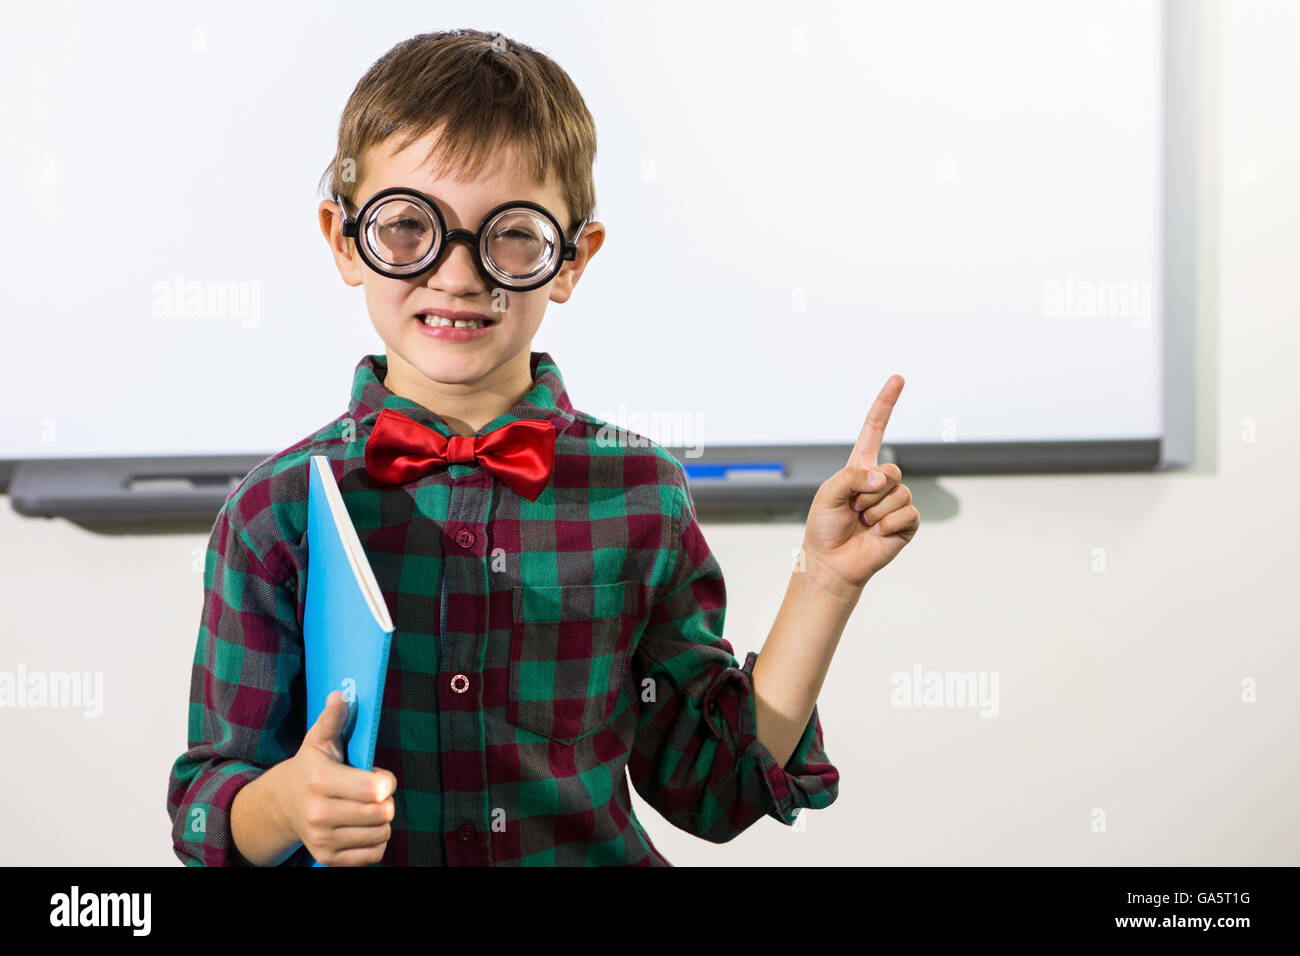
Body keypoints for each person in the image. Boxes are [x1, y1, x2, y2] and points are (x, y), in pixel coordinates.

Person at [166, 27, 919, 866]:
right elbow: (207, 817)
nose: (457, 276)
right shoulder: (277, 512)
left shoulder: (643, 492)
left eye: (512, 234)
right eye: (408, 226)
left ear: (571, 259)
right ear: (346, 240)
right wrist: (284, 803)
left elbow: (713, 788)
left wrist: (824, 583)